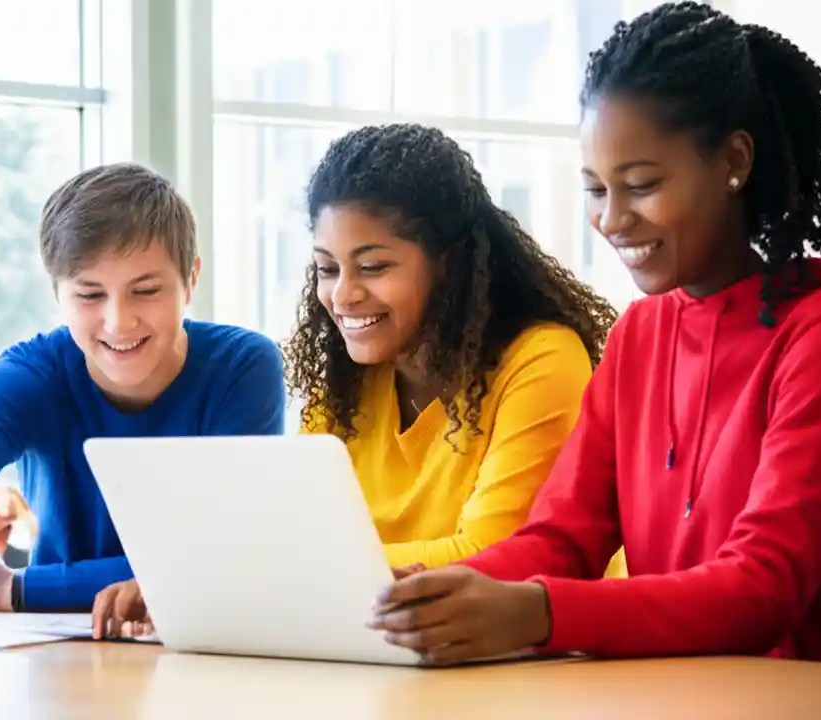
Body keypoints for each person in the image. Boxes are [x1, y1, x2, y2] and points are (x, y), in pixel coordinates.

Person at [369, 1, 821, 665]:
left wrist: (540, 612)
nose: (612, 219)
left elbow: (762, 589)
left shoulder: (812, 334)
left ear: (733, 161)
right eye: (594, 188)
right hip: (661, 700)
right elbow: (561, 539)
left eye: (640, 185)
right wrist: (409, 595)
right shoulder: (640, 334)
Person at [91, 123, 617, 637]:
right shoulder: (348, 380)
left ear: (450, 266)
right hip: (378, 644)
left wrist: (277, 576)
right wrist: (186, 584)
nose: (343, 295)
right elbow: (292, 536)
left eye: (373, 266)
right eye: (327, 268)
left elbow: (487, 550)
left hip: (521, 665)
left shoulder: (541, 359)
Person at [0, 162, 286, 613]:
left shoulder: (242, 368)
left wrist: (15, 590)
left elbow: (220, 563)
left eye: (146, 291)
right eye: (90, 295)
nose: (119, 322)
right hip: (55, 653)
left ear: (191, 280)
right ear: (57, 293)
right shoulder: (35, 371)